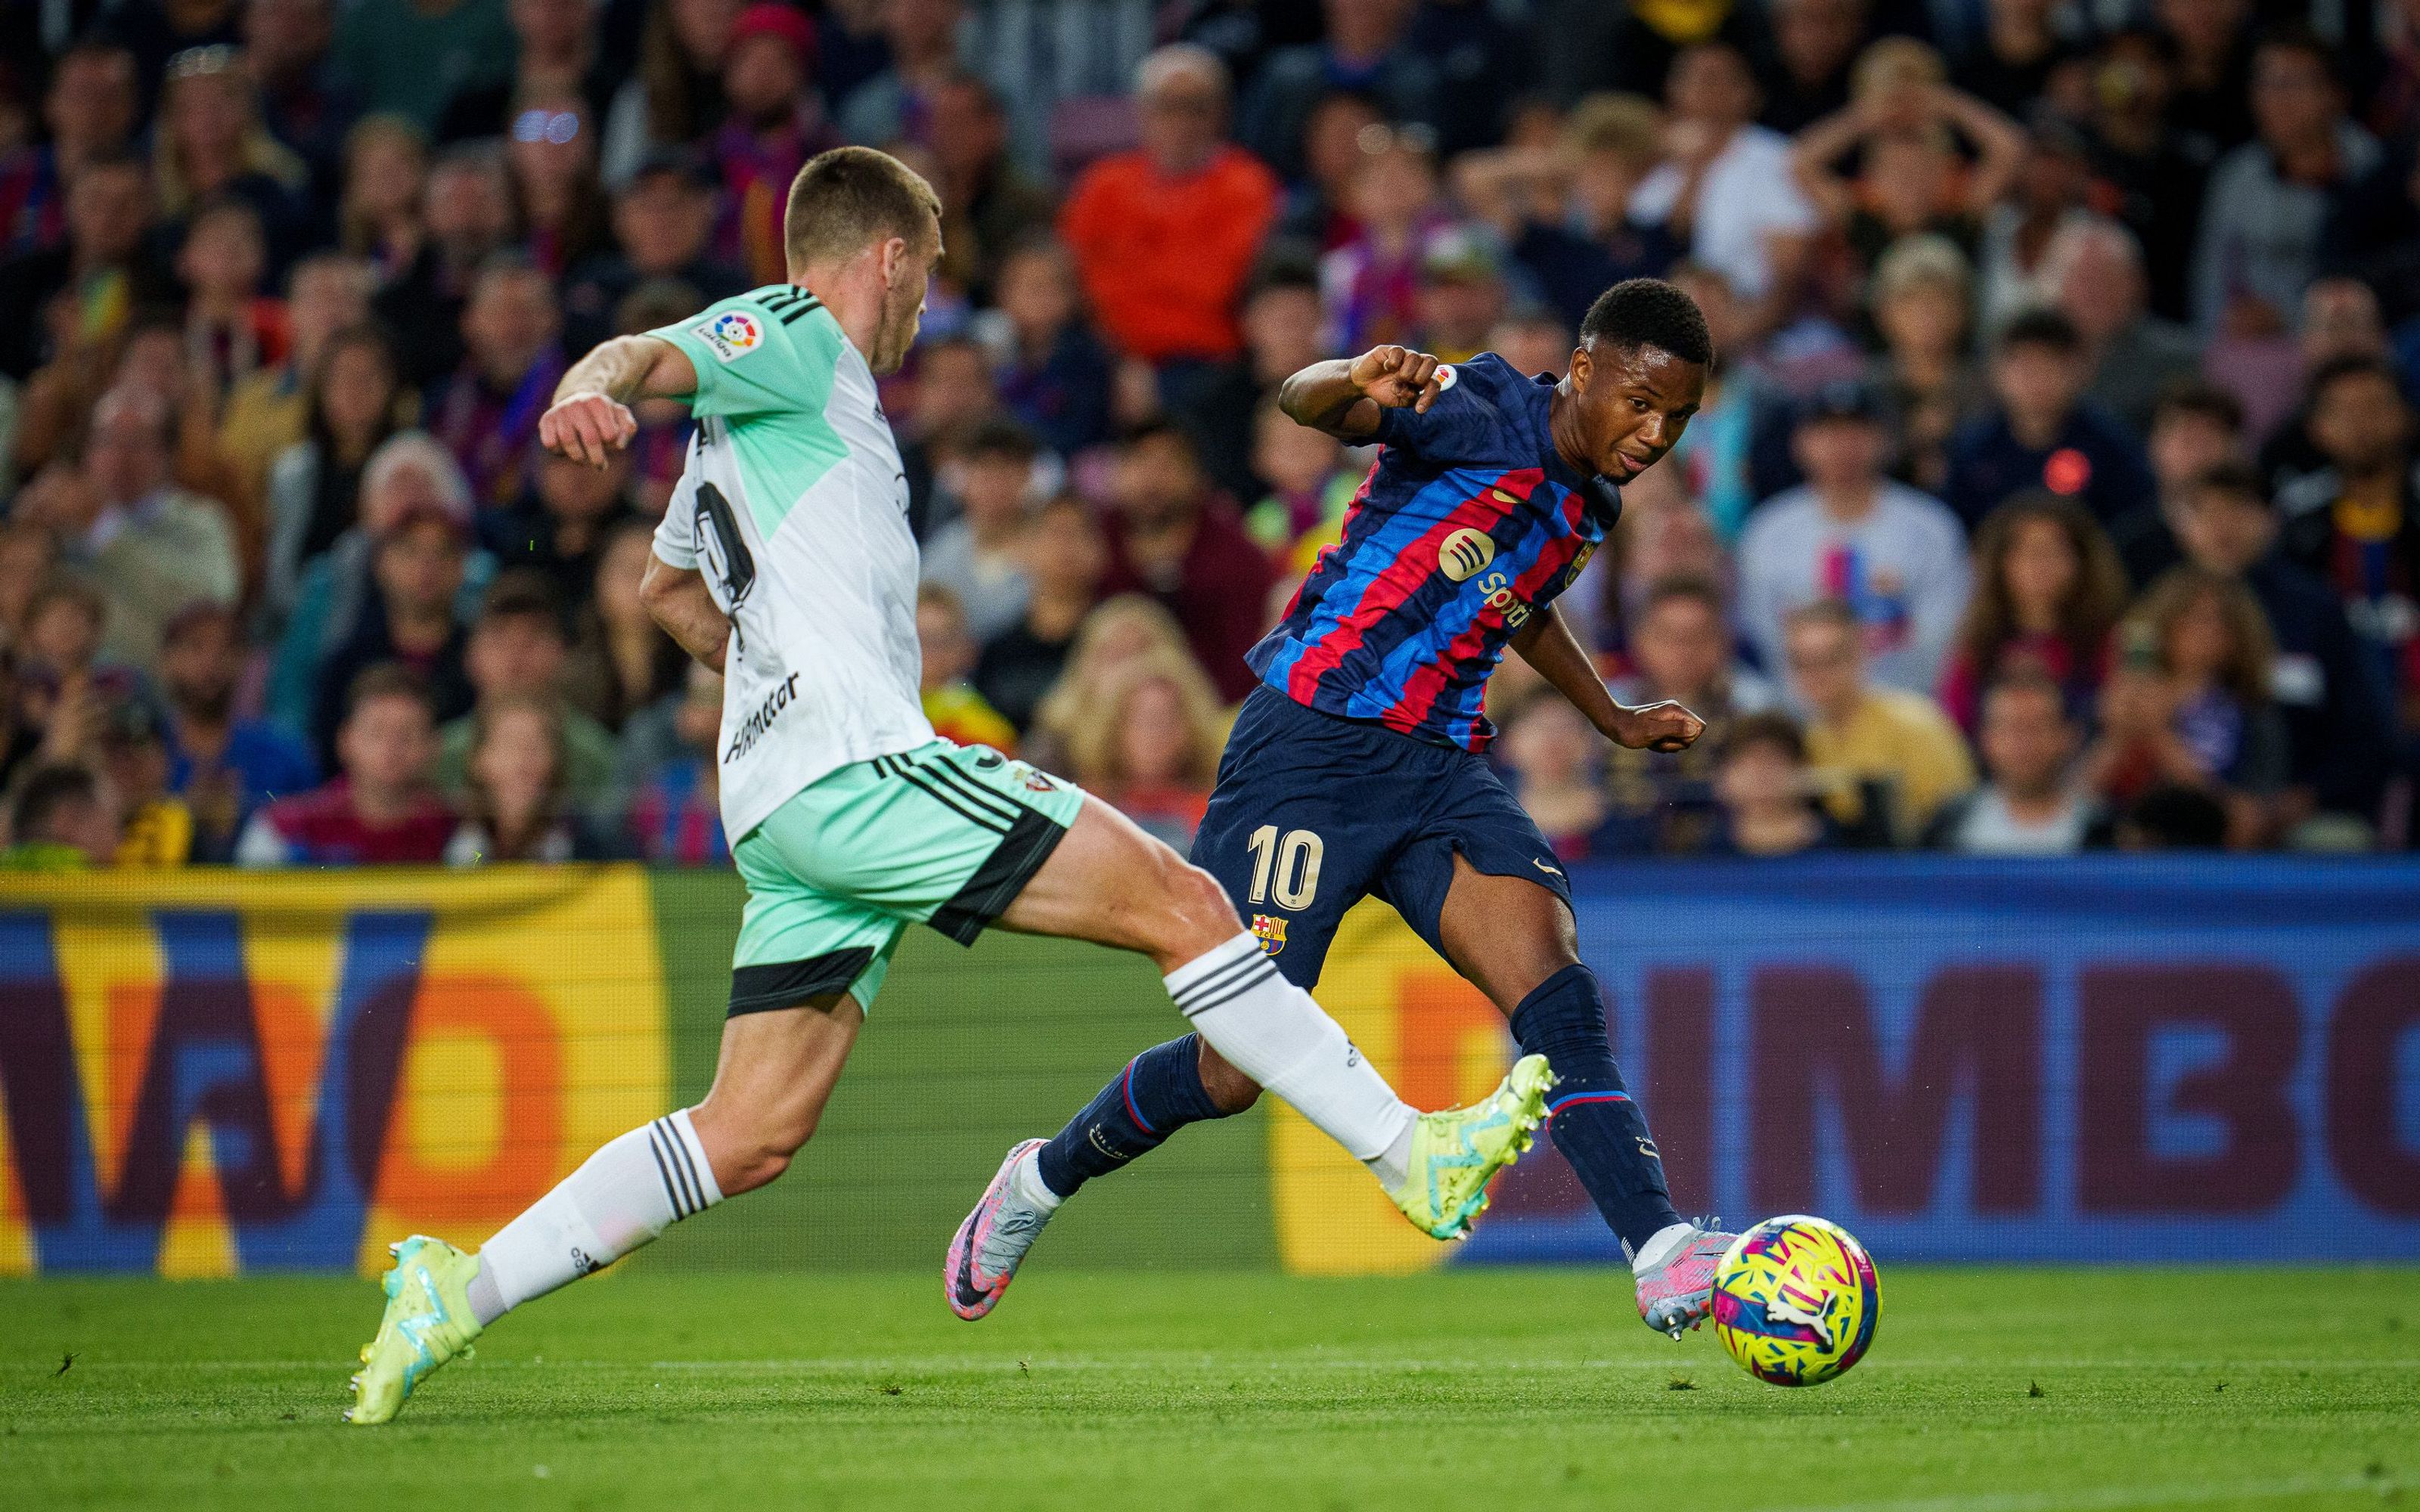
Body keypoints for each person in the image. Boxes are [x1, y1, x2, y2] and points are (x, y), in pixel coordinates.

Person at [346, 146, 1550, 1427]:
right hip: (856, 767)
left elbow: (668, 594)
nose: (927, 305)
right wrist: (589, 387)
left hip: (779, 809)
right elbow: (644, 352)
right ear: (891, 256)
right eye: (926, 274)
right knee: (1180, 901)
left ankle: (457, 1290)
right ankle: (1409, 1152)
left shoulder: (741, 442)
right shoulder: (799, 337)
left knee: (749, 1129)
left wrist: (769, 676)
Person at [954, 278, 1741, 1339]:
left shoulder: (1589, 502)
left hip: (1438, 767)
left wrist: (1609, 714)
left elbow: (1521, 598)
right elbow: (1309, 403)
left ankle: (1659, 1254)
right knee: (1234, 1072)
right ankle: (1038, 1184)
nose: (1654, 434)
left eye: (1678, 419)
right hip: (1309, 751)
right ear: (1587, 369)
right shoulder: (1485, 405)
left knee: (1556, 995)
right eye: (1640, 403)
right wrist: (1350, 373)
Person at [2170, 460, 2394, 835]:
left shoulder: (2318, 609)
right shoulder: (2159, 610)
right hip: (2186, 812)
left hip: (2304, 812)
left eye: (2239, 509)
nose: (2223, 526)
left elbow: (2367, 733)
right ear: (2182, 527)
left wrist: (2309, 797)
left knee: (2334, 840)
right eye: (2206, 512)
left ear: (2271, 520)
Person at [1736, 377, 1972, 696]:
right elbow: (1761, 635)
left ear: (1887, 440)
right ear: (1800, 443)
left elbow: (1941, 635)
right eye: (1827, 432)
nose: (1843, 445)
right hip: (1797, 716)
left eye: (1858, 430)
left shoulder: (1931, 528)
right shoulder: (1768, 531)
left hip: (1905, 715)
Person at [1057, 45, 1279, 373]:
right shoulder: (1104, 184)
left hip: (1210, 359)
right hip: (1109, 357)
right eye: (1168, 108)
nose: (1182, 123)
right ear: (1143, 113)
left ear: (1220, 114)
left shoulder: (1247, 183)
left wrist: (1134, 278)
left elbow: (1215, 288)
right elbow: (1075, 277)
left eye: (1195, 108)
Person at [2083, 566, 2291, 847]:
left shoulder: (2253, 713)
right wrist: (2118, 735)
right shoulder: (2121, 699)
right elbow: (2076, 801)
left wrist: (2159, 735)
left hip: (2209, 852)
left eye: (2218, 621)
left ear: (2239, 634)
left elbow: (2246, 821)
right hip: (2114, 848)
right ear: (2163, 623)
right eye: (2189, 618)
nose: (2203, 632)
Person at [1097, 420, 1278, 704]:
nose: (1151, 480)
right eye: (1138, 462)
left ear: (1198, 477)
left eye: (1167, 464)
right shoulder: (1094, 544)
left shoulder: (1238, 558)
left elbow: (1251, 663)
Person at [1602, 573, 1777, 854]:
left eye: (1698, 637)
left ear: (1724, 642)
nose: (1683, 650)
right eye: (1669, 637)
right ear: (1640, 641)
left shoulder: (1755, 712)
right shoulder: (1607, 709)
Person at [1942, 308, 2156, 530]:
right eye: (2025, 368)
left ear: (2082, 370)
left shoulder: (2112, 446)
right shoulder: (1972, 447)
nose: (2037, 381)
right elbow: (1953, 527)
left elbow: (2133, 524)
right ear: (1998, 372)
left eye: (2050, 366)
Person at [1783, 596, 1975, 840]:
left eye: (1831, 659)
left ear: (1860, 653)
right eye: (1802, 663)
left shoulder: (1916, 724)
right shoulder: (1807, 740)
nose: (1817, 675)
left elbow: (1958, 819)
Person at [1937, 491, 2127, 735]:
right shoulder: (1975, 648)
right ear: (2000, 562)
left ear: (2082, 561)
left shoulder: (2109, 645)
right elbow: (1952, 733)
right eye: (2026, 551)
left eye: (2054, 551)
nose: (2040, 564)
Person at [236, 662, 458, 864]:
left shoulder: (456, 835)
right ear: (345, 740)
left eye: (408, 733)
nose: (392, 747)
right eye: (377, 732)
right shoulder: (281, 830)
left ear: (433, 746)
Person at [433, 574, 620, 814]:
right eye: (500, 638)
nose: (517, 655)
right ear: (471, 656)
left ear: (562, 653)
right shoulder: (439, 754)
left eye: (535, 636)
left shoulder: (598, 754)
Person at [157, 602, 318, 862]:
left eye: (226, 649)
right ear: (166, 660)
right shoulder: (140, 750)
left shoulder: (285, 753)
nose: (211, 663)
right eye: (195, 647)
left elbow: (313, 845)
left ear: (245, 662)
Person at [1923, 670, 2108, 854]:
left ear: (2067, 737)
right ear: (1986, 738)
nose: (2023, 743)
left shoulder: (2104, 831)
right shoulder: (1946, 827)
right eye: (2010, 728)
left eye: (2035, 728)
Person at [1062, 645, 1226, 850]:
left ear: (1190, 730)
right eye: (1142, 720)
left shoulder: (1215, 812)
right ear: (1114, 730)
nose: (1155, 734)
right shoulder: (1083, 809)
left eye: (1166, 720)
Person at [974, 494, 1106, 733]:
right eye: (1054, 534)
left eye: (1077, 534)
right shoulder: (996, 652)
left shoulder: (1115, 645)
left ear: (1100, 550)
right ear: (1024, 549)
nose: (1064, 548)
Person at [443, 695, 616, 863]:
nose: (522, 763)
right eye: (509, 746)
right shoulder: (440, 836)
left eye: (535, 747)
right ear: (477, 760)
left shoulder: (593, 846)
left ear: (556, 761)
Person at [918, 418, 1039, 646]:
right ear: (962, 478)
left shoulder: (1052, 549)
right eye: (984, 470)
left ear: (1028, 476)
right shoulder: (942, 552)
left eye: (1005, 471)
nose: (995, 484)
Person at [1702, 709, 1837, 856]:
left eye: (1774, 762)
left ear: (1803, 770)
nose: (1761, 776)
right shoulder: (1704, 853)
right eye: (1748, 764)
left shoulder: (1844, 844)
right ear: (1724, 777)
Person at [915, 582, 1017, 751]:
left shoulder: (986, 730)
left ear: (966, 649)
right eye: (920, 639)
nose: (930, 653)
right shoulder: (877, 710)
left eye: (942, 641)